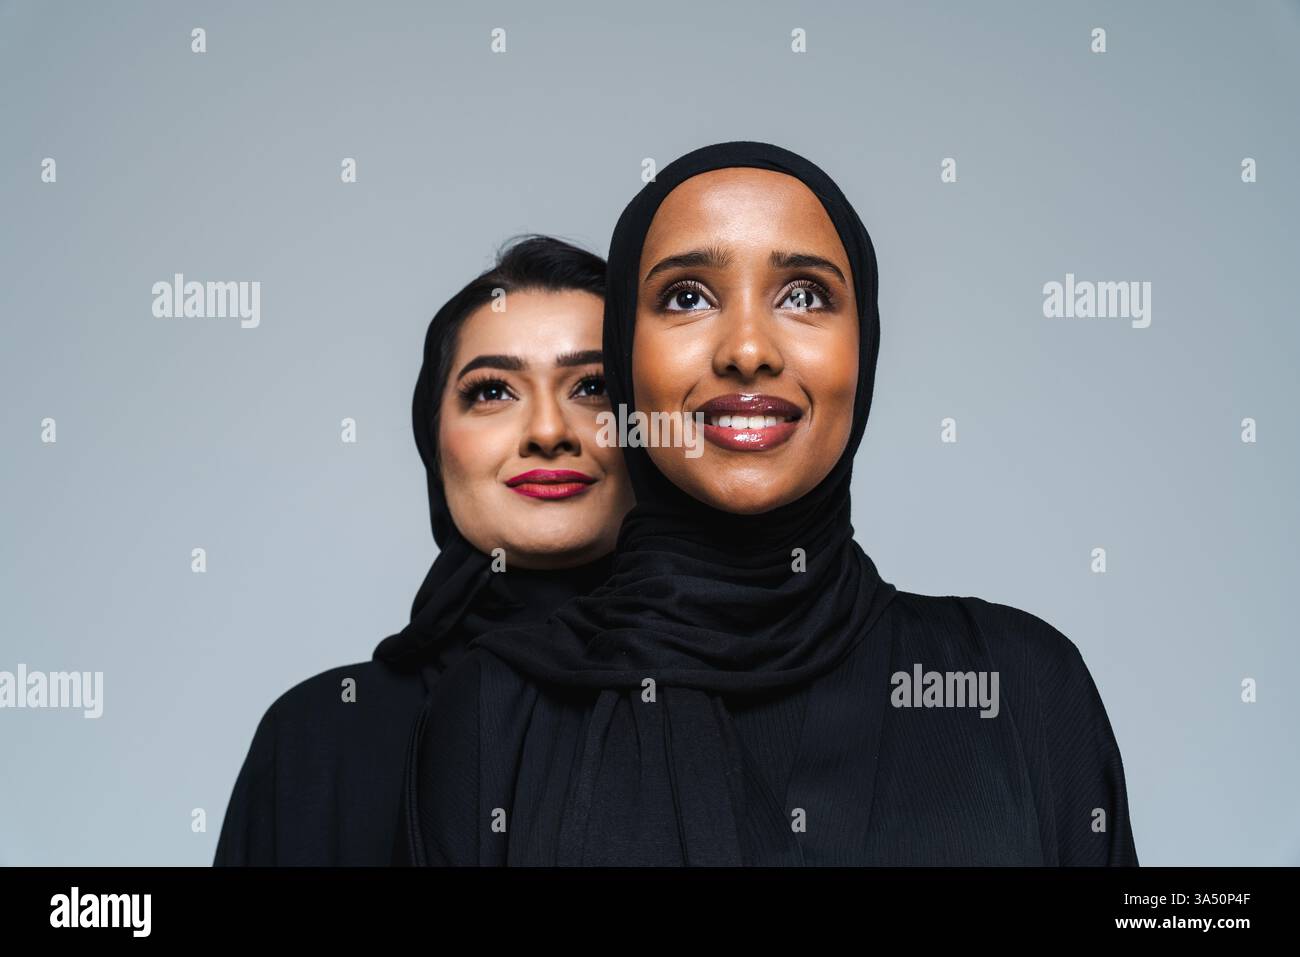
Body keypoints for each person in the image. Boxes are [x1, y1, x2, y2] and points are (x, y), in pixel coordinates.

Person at [395, 143, 1139, 866]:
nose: (747, 348)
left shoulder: (1018, 682)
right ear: (624, 355)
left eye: (804, 295)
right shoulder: (496, 706)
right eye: (687, 296)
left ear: (864, 346)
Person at [213, 235, 636, 865]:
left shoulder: (754, 707)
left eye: (593, 387)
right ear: (434, 445)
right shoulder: (318, 737)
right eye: (493, 391)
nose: (549, 432)